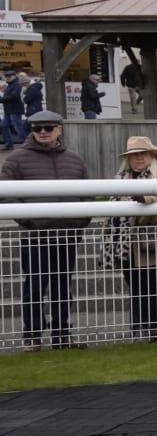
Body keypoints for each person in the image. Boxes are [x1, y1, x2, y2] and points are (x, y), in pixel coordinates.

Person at [2, 110, 90, 350]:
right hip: (36, 235)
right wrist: (32, 222)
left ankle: (62, 334)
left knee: (62, 285)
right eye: (37, 128)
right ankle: (32, 335)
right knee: (36, 285)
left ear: (59, 129)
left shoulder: (74, 159)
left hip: (67, 235)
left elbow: (87, 195)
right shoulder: (16, 159)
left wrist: (78, 223)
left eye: (48, 128)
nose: (42, 132)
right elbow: (6, 195)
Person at [114, 135, 157, 341]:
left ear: (151, 155)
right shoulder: (120, 178)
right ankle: (137, 330)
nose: (138, 159)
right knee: (135, 288)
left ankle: (150, 330)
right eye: (134, 155)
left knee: (154, 287)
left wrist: (147, 198)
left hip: (153, 242)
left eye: (142, 154)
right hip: (127, 243)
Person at [2, 69, 25, 149]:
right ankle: (9, 144)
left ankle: (25, 143)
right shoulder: (10, 85)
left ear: (14, 76)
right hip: (8, 109)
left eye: (9, 76)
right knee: (4, 126)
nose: (7, 78)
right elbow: (10, 97)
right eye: (6, 76)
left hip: (15, 109)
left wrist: (2, 99)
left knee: (17, 126)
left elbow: (14, 96)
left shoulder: (17, 85)